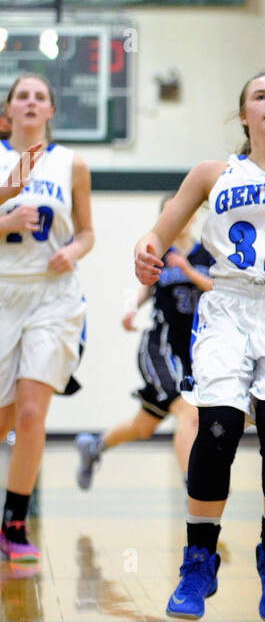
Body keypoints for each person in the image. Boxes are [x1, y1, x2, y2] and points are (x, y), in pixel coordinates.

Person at [133, 72, 265, 622]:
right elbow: (157, 233)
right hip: (226, 306)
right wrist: (145, 250)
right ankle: (199, 558)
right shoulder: (212, 172)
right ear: (243, 115)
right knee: (217, 427)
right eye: (260, 96)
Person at [0, 72, 94, 565]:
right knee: (2, 420)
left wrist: (73, 251)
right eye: (22, 96)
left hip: (53, 297)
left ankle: (14, 523)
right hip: (2, 293)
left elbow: (87, 232)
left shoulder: (71, 163)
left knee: (33, 411)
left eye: (40, 97)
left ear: (51, 110)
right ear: (8, 109)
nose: (31, 103)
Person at [75, 199, 213, 488]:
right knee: (188, 411)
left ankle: (94, 447)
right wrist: (130, 309)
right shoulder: (160, 254)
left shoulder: (207, 254)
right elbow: (145, 290)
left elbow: (216, 287)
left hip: (192, 351)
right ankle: (195, 488)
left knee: (144, 425)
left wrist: (188, 271)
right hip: (159, 347)